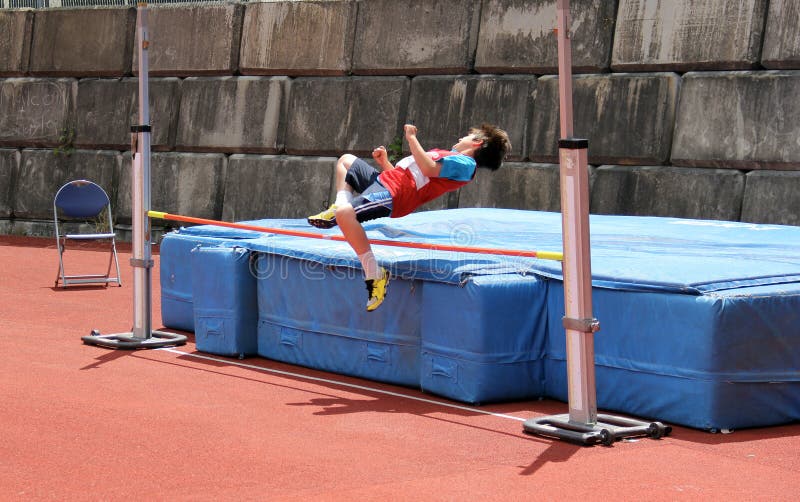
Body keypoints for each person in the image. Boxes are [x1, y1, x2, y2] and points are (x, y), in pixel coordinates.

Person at [308, 123, 511, 312]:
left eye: (466, 136)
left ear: (477, 142)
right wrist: (385, 163)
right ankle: (339, 205)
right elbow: (409, 176)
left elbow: (427, 169)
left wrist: (412, 138)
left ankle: (374, 273)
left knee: (345, 214)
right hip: (387, 182)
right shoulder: (448, 155)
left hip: (395, 195)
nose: (460, 138)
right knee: (346, 161)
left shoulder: (466, 164)